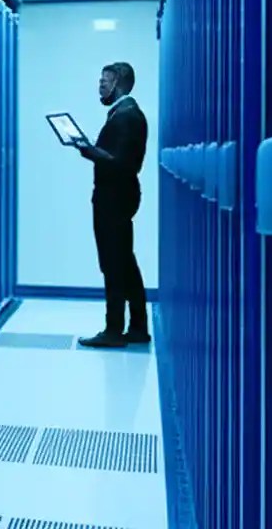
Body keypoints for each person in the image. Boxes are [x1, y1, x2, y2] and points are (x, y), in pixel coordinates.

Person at [70, 62, 150, 348]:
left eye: (105, 82)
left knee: (113, 263)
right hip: (118, 196)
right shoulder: (124, 113)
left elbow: (123, 163)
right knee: (124, 261)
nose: (100, 86)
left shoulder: (127, 116)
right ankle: (138, 327)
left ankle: (114, 330)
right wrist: (93, 149)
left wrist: (89, 151)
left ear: (118, 83)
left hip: (114, 198)